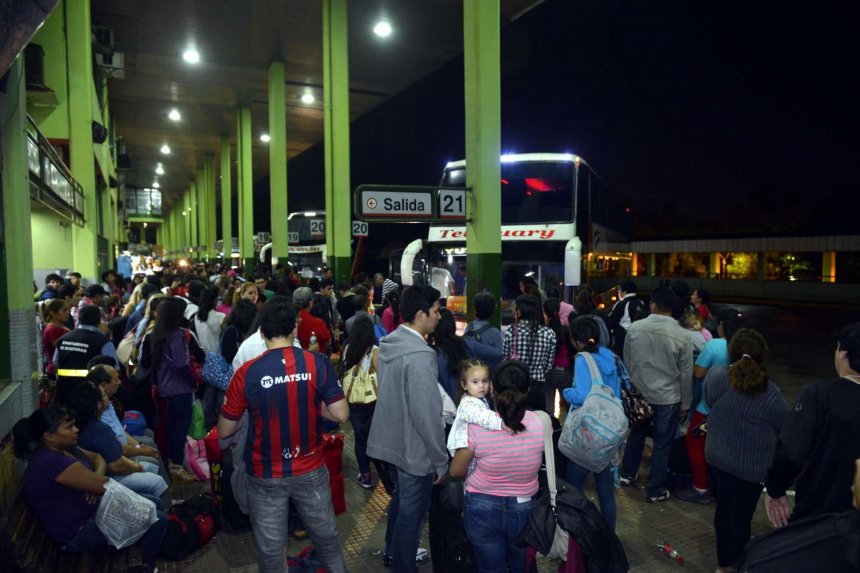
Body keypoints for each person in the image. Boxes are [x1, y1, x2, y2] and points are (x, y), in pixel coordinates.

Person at [218, 298, 349, 573]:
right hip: (311, 467)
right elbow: (340, 415)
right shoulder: (318, 363)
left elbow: (225, 430)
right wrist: (315, 407)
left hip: (264, 473)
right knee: (326, 540)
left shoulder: (246, 372)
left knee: (271, 550)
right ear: (294, 329)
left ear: (262, 332)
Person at [13, 406, 167, 573]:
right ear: (49, 436)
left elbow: (98, 462)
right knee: (157, 518)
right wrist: (94, 483)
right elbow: (105, 485)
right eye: (69, 427)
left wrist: (93, 483)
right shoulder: (52, 462)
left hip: (88, 514)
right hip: (76, 534)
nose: (76, 430)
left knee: (154, 502)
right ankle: (147, 567)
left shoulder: (57, 451)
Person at [366, 285, 446, 572]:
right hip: (414, 449)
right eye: (436, 311)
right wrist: (441, 460)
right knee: (411, 518)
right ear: (421, 314)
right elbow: (427, 416)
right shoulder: (421, 356)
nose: (439, 316)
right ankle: (402, 564)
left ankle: (391, 550)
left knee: (401, 504)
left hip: (392, 440)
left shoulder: (391, 342)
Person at [704, 329, 789, 573]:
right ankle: (740, 564)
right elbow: (786, 427)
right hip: (751, 469)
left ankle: (723, 566)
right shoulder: (770, 393)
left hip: (718, 459)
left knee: (724, 512)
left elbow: (710, 401)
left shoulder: (717, 377)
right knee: (741, 518)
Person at [449, 360, 544, 573]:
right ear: (528, 389)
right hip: (524, 507)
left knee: (490, 568)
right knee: (522, 567)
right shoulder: (542, 422)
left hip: (481, 506)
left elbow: (456, 471)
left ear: (493, 388)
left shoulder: (477, 424)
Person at [765, 321, 860, 526]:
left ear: (843, 353)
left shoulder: (820, 394)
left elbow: (790, 453)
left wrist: (775, 489)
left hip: (819, 514)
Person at [619, 286, 693, 502]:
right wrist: (685, 403)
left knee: (636, 434)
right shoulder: (682, 335)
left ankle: (627, 473)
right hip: (668, 397)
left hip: (640, 393)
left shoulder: (635, 328)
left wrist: (633, 389)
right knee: (662, 443)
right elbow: (686, 373)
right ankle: (655, 489)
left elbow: (628, 362)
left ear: (653, 304)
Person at [676, 307, 746, 504]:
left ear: (722, 326)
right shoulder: (747, 346)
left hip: (708, 407)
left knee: (695, 441)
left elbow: (698, 373)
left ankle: (700, 487)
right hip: (737, 405)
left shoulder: (715, 345)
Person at [562, 317, 624, 531]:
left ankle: (577, 536)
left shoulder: (583, 359)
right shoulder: (610, 355)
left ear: (575, 340)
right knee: (606, 493)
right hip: (609, 432)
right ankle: (610, 538)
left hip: (588, 432)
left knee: (574, 488)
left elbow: (583, 396)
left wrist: (566, 391)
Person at [62, 383, 170, 505]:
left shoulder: (80, 424)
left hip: (99, 475)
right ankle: (170, 513)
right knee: (156, 480)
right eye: (103, 395)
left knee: (151, 465)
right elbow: (116, 465)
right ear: (98, 404)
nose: (107, 397)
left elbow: (102, 457)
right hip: (108, 478)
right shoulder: (98, 428)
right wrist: (137, 466)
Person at [138, 297, 202, 483]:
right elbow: (181, 364)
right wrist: (193, 380)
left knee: (167, 425)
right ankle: (176, 465)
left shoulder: (155, 333)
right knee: (180, 426)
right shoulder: (176, 335)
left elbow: (146, 362)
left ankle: (168, 462)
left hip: (162, 387)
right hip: (179, 388)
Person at [339, 315, 379, 489]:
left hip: (354, 401)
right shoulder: (375, 351)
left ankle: (365, 475)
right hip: (372, 401)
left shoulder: (347, 348)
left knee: (360, 438)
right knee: (374, 436)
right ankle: (380, 468)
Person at [446, 359, 510, 464]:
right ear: (464, 385)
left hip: (471, 448)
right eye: (475, 382)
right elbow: (481, 416)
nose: (481, 386)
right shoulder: (467, 404)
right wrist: (500, 423)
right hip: (464, 451)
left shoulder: (477, 397)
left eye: (485, 381)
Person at [431, 308, 504, 400]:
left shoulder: (432, 354)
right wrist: (482, 370)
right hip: (473, 399)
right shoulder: (467, 343)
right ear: (452, 325)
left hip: (448, 405)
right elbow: (498, 354)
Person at [503, 294, 556, 412]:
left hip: (515, 385)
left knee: (516, 421)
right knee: (537, 423)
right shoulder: (549, 333)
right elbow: (548, 367)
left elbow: (505, 361)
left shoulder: (511, 331)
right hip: (537, 386)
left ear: (520, 311)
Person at [54, 305, 117, 397]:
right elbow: (114, 368)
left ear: (79, 319)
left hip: (65, 390)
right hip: (91, 393)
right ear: (99, 321)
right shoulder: (102, 342)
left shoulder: (63, 339)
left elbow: (55, 363)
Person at [606, 279, 647, 358]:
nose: (618, 292)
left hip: (624, 342)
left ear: (624, 292)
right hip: (640, 342)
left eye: (619, 290)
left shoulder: (621, 304)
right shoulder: (641, 303)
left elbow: (611, 322)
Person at [292, 286, 331, 353]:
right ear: (310, 303)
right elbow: (328, 342)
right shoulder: (317, 322)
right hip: (316, 358)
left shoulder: (288, 320)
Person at [41, 299, 70, 377]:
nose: (68, 313)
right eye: (64, 310)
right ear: (53, 313)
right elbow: (63, 350)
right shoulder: (53, 329)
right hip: (58, 371)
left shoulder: (59, 326)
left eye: (68, 310)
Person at [192, 285, 226, 353]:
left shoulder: (196, 316)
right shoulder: (220, 317)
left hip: (204, 356)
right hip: (217, 356)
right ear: (215, 300)